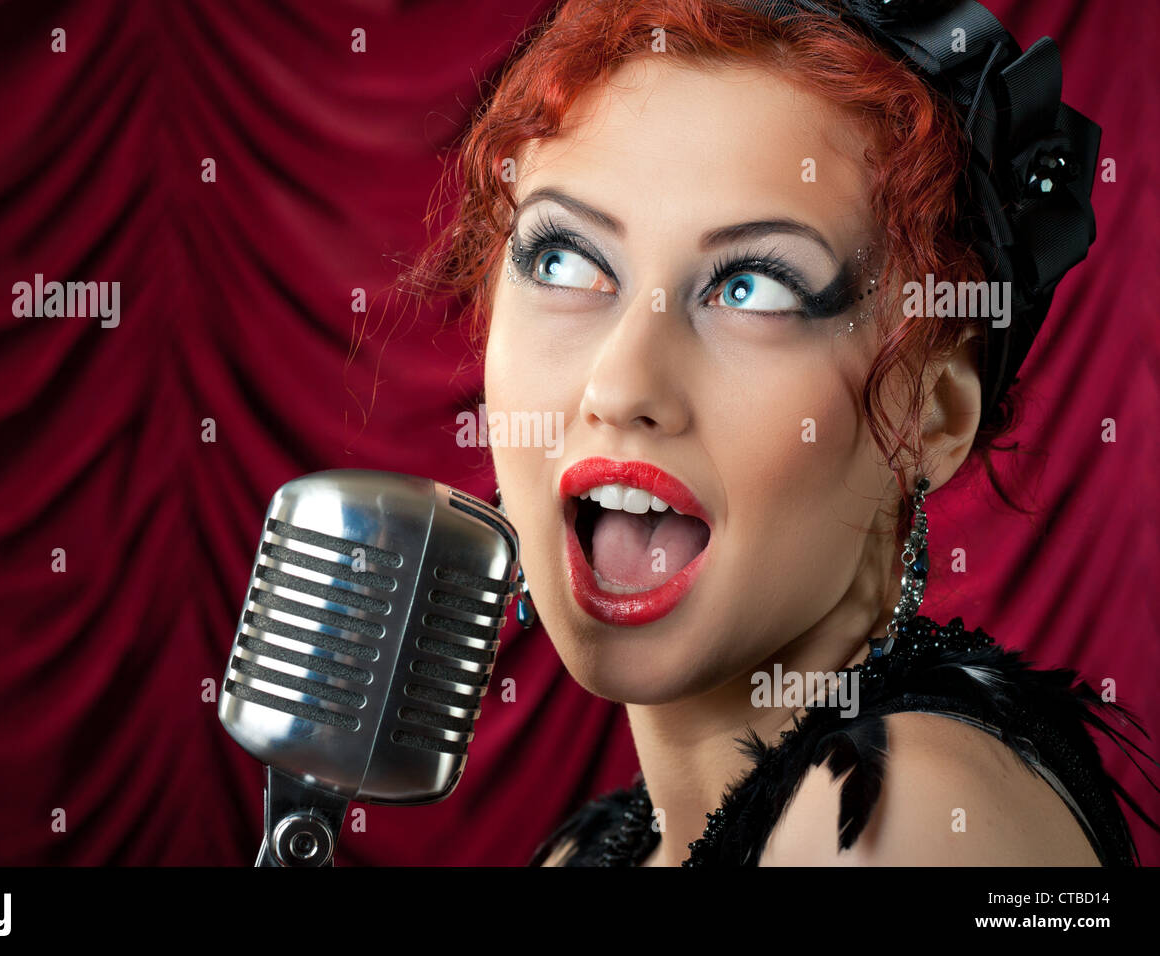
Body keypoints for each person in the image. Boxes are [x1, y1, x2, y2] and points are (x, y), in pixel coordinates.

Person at [403, 0, 1158, 865]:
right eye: (565, 261)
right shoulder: (595, 852)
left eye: (753, 288)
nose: (621, 385)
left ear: (935, 415)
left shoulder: (896, 819)